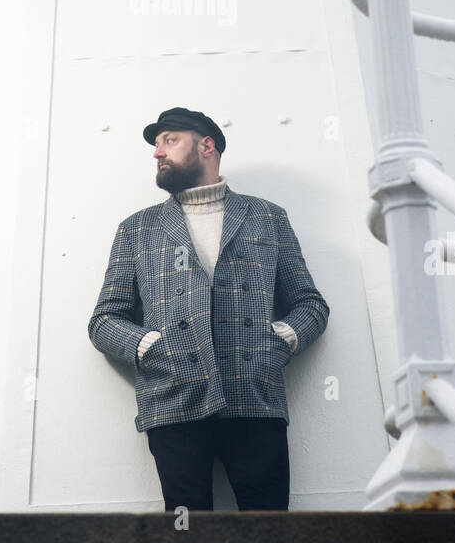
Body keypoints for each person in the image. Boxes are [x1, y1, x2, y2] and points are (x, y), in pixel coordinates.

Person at [87, 106, 330, 511]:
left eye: (169, 140)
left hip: (255, 396)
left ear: (206, 145)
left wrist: (275, 342)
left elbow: (310, 305)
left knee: (270, 537)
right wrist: (151, 346)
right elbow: (105, 320)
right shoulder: (137, 228)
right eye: (156, 144)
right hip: (172, 401)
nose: (157, 153)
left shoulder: (267, 217)